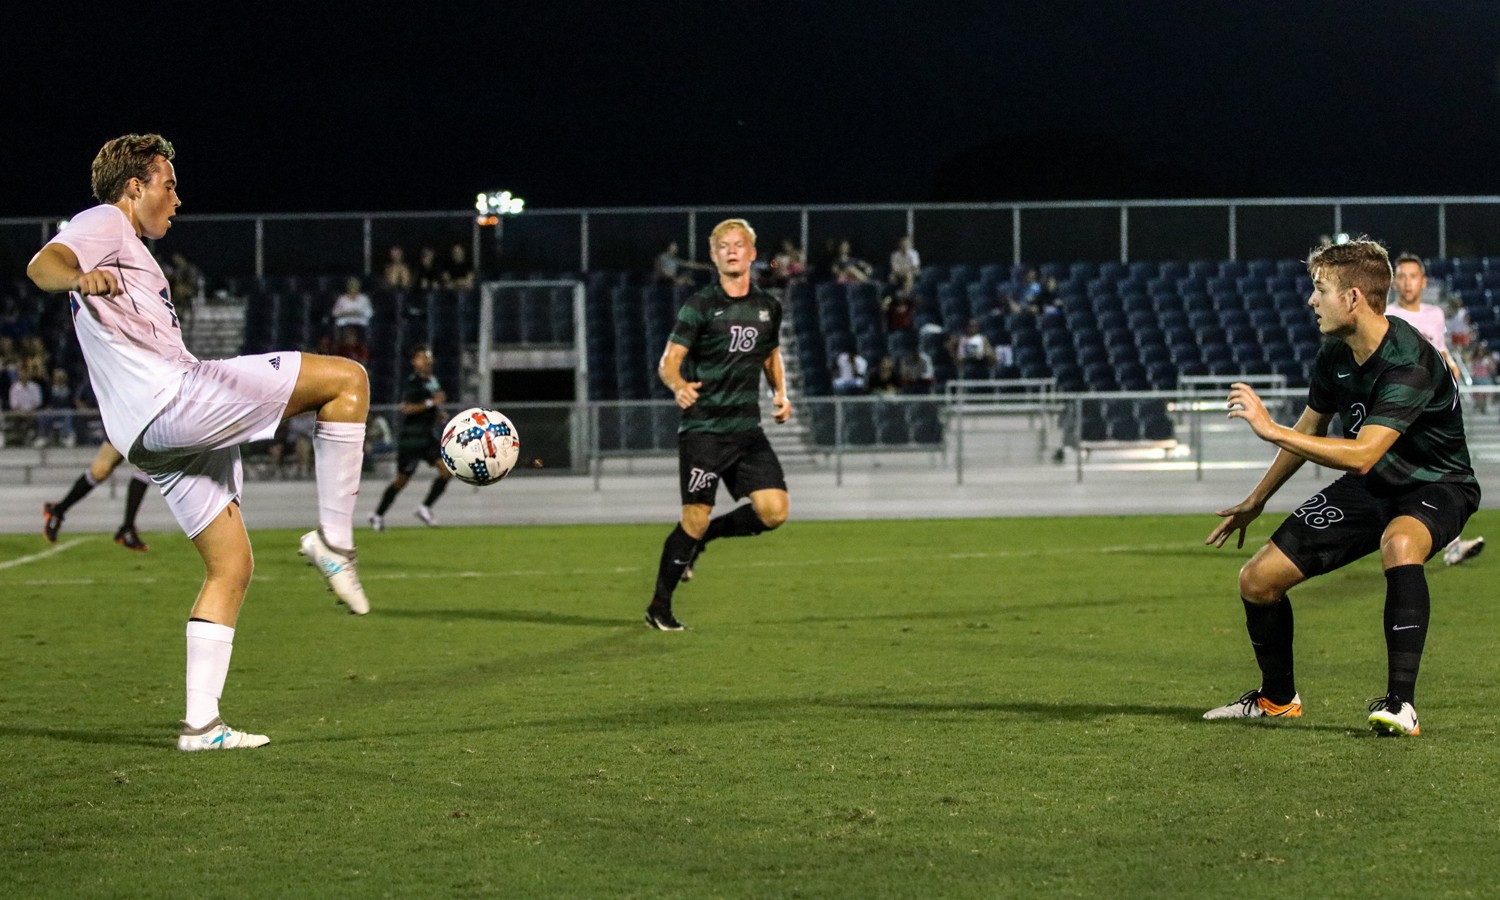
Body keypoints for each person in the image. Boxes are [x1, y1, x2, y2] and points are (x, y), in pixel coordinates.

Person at [27, 133, 373, 752]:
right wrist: (81, 277)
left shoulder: (133, 250)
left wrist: (93, 280)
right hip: (174, 401)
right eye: (168, 184)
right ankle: (336, 541)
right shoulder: (106, 219)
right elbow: (42, 266)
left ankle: (201, 726)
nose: (177, 199)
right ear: (135, 187)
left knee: (232, 566)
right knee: (348, 380)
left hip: (144, 436)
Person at [1204, 238, 1479, 737]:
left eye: (1320, 289)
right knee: (1257, 581)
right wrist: (1256, 499)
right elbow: (1309, 430)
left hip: (1438, 484)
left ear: (1353, 297)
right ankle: (1277, 699)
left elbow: (1363, 451)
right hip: (1371, 484)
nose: (1311, 301)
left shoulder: (1409, 360)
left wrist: (1270, 428)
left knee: (1399, 543)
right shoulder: (1335, 353)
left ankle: (1401, 705)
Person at [647, 218, 792, 631]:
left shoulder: (768, 307)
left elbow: (770, 354)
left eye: (739, 244)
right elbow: (668, 363)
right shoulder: (699, 305)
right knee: (692, 518)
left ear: (751, 252)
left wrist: (780, 393)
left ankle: (705, 540)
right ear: (713, 256)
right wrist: (677, 385)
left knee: (774, 511)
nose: (731, 250)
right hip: (705, 431)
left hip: (747, 430)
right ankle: (659, 606)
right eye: (723, 246)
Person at [1387, 253, 1484, 566]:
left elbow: (1440, 349)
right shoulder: (1387, 315)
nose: (1407, 282)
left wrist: (1451, 365)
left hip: (1432, 410)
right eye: (1401, 276)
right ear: (1394, 281)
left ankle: (1443, 542)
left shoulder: (1435, 314)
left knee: (1438, 476)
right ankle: (1412, 540)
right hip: (1402, 409)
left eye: (1412, 276)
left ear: (1423, 282)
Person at [370, 345, 452, 530]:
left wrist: (438, 413)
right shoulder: (412, 382)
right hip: (412, 439)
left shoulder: (432, 381)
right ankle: (378, 514)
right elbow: (406, 408)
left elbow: (430, 405)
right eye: (422, 357)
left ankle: (425, 508)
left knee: (447, 470)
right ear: (414, 362)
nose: (426, 360)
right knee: (401, 481)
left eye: (427, 357)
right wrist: (432, 403)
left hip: (427, 437)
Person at [42, 441, 154, 550]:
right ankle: (58, 510)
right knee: (100, 470)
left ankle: (127, 528)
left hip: (147, 426)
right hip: (124, 424)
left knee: (145, 467)